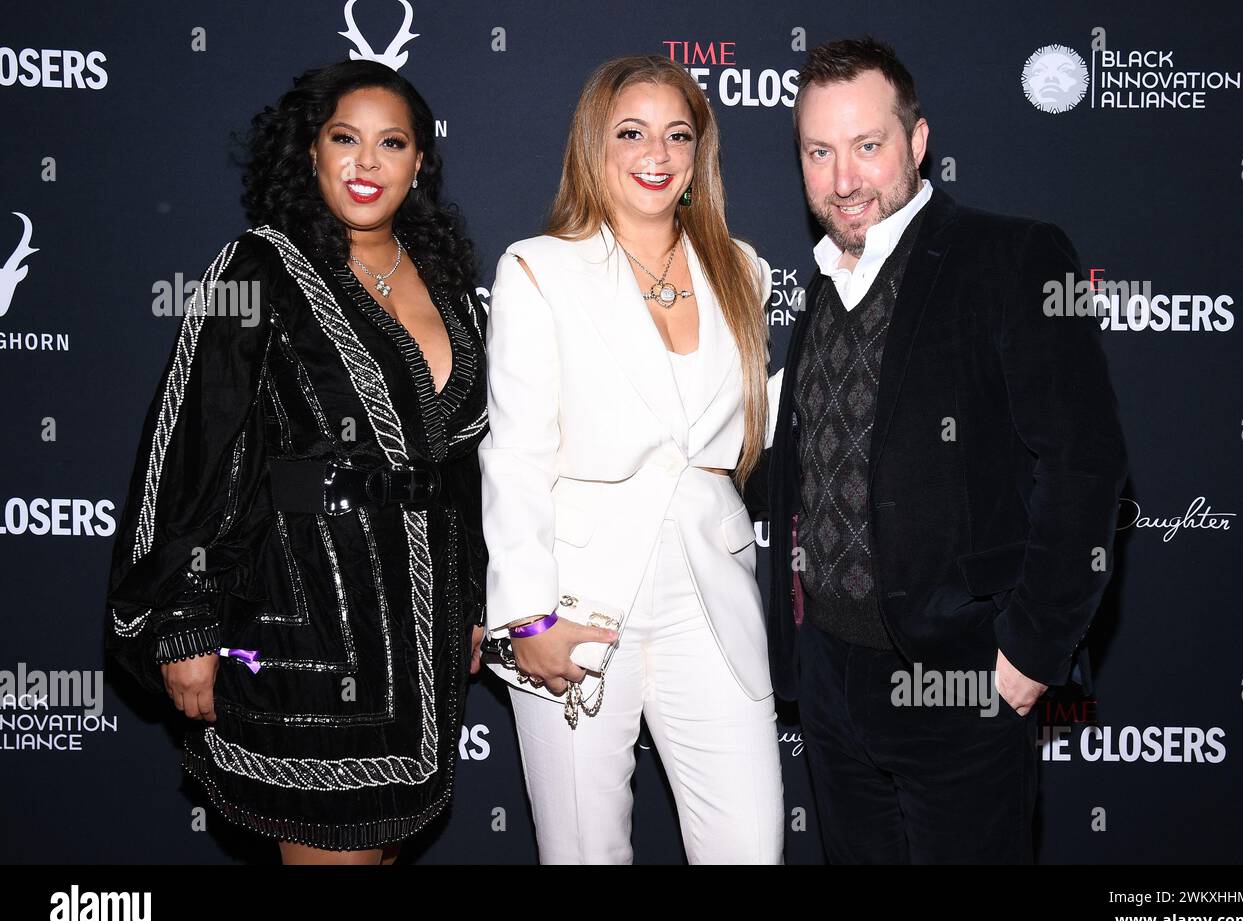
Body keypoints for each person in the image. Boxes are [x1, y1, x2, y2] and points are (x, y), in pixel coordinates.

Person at [104, 60, 489, 864]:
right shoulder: (258, 268)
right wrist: (185, 621)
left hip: (421, 642)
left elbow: (462, 468)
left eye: (391, 143)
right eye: (344, 138)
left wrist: (475, 595)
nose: (365, 163)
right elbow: (195, 450)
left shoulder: (451, 287)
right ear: (309, 151)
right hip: (304, 628)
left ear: (420, 163)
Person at [764, 37, 1127, 863]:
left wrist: (1032, 647)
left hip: (960, 680)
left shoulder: (1012, 257)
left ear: (918, 142)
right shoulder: (823, 285)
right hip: (830, 679)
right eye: (820, 152)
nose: (844, 178)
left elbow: (1087, 461)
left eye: (867, 146)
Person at [479, 54, 784, 864]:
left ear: (698, 154)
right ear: (594, 144)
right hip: (579, 601)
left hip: (711, 599)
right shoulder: (538, 268)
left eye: (678, 134)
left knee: (751, 847)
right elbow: (513, 453)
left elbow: (748, 426)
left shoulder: (743, 271)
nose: (657, 152)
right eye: (632, 131)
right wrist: (527, 616)